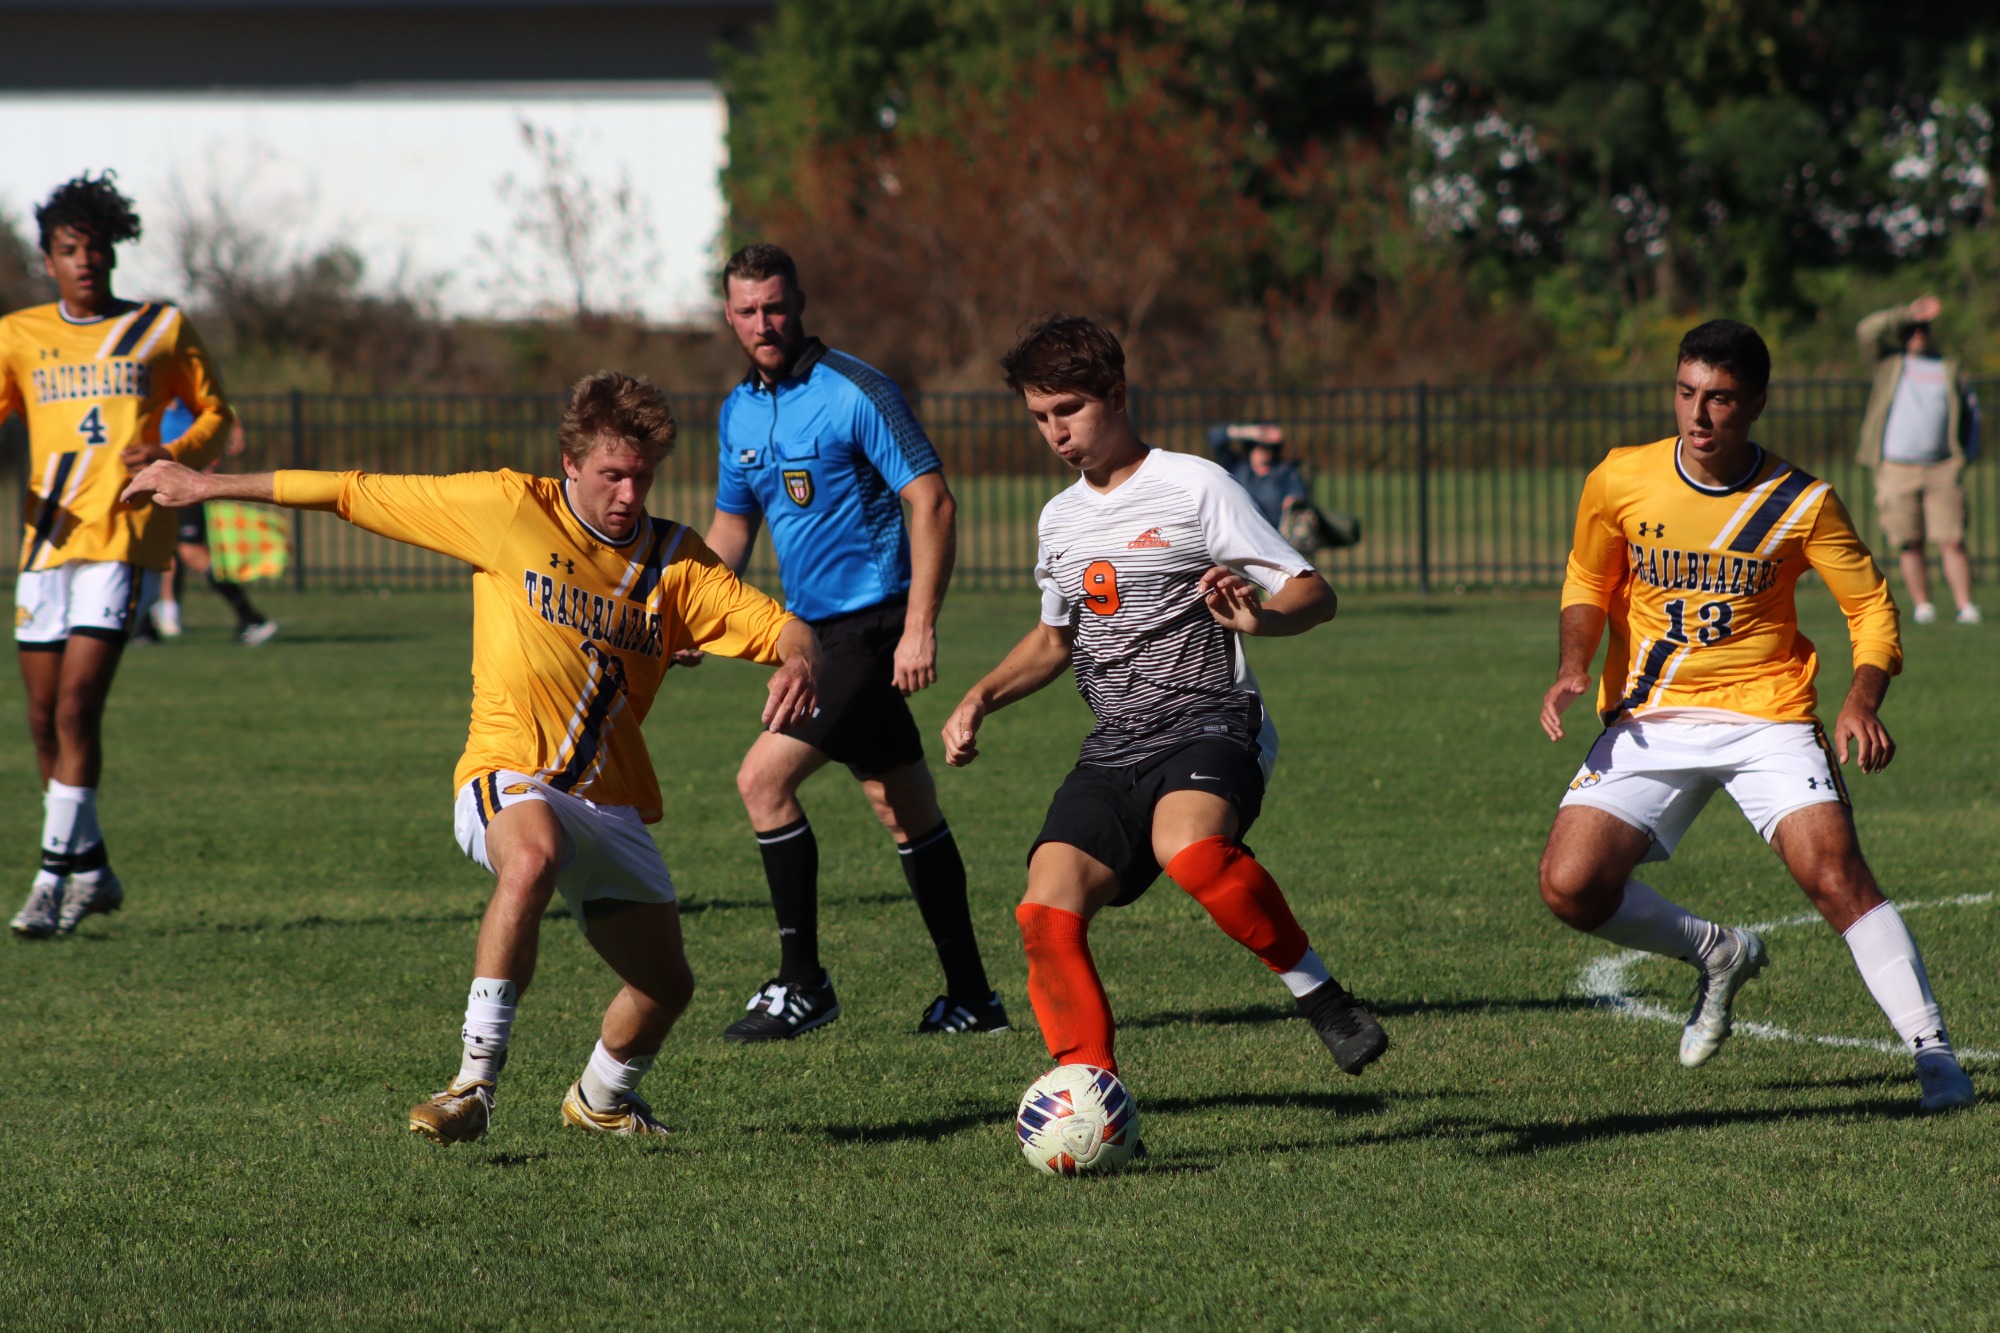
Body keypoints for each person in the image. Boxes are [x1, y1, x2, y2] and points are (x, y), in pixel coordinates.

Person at [124, 371, 822, 1141]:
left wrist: (797, 661)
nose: (629, 492)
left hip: (609, 798)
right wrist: (207, 482)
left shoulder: (675, 563)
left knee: (665, 986)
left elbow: (784, 626)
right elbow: (354, 490)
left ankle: (602, 1099)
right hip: (507, 771)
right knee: (531, 857)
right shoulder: (508, 508)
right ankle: (473, 1083)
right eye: (612, 474)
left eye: (643, 475)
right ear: (571, 465)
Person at [942, 315, 1389, 1092]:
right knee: (1044, 909)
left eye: (1069, 411)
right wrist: (980, 696)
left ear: (1116, 395)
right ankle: (1091, 1095)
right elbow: (1054, 640)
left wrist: (1264, 615)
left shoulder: (1194, 485)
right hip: (1117, 740)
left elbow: (1315, 592)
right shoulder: (1058, 519)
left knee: (1191, 851)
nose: (1055, 433)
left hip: (1211, 718)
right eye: (1040, 418)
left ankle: (1323, 997)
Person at [1538, 319, 1973, 1113]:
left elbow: (1872, 610)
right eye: (1686, 393)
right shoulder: (1620, 477)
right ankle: (1719, 951)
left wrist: (1860, 698)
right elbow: (1586, 579)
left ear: (1757, 403)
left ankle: (1934, 1051)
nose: (1699, 416)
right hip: (1652, 716)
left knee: (1836, 876)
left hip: (1767, 716)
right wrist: (1574, 663)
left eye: (1721, 399)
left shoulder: (1800, 502)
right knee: (1570, 887)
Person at [697, 242, 1003, 1041]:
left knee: (762, 780)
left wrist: (918, 628)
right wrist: (693, 609)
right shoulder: (737, 411)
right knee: (904, 808)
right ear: (727, 316)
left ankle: (804, 984)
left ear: (799, 303)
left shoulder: (856, 389)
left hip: (867, 631)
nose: (763, 323)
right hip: (815, 630)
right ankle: (973, 998)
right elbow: (733, 526)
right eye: (746, 311)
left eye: (775, 306)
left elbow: (931, 502)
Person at [0, 171, 231, 939]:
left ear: (113, 253)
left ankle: (49, 880)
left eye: (96, 248)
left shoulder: (159, 328)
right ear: (48, 260)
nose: (85, 261)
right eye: (69, 250)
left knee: (75, 706)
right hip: (46, 544)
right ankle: (92, 868)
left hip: (119, 542)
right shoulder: (19, 335)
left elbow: (216, 412)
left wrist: (172, 449)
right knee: (40, 717)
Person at [1855, 296, 1980, 625]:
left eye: (1923, 328)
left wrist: (1962, 456)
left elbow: (1969, 416)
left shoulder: (1948, 368)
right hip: (1897, 467)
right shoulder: (1889, 364)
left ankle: (1966, 607)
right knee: (1909, 541)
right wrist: (1906, 313)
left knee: (1952, 538)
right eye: (1912, 329)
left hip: (1942, 466)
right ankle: (1923, 607)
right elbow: (1866, 331)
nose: (1918, 334)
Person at [139, 407, 277, 645]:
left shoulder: (180, 379)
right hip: (153, 475)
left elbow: (215, 409)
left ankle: (250, 617)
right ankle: (146, 626)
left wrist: (216, 449)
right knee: (154, 548)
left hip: (183, 477)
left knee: (191, 551)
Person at [1206, 422, 1307, 528]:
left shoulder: (1284, 471)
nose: (1264, 450)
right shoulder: (1238, 467)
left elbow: (1298, 495)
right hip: (1240, 529)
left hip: (1272, 532)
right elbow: (1214, 437)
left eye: (1269, 446)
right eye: (1259, 445)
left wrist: (1292, 501)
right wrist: (1251, 432)